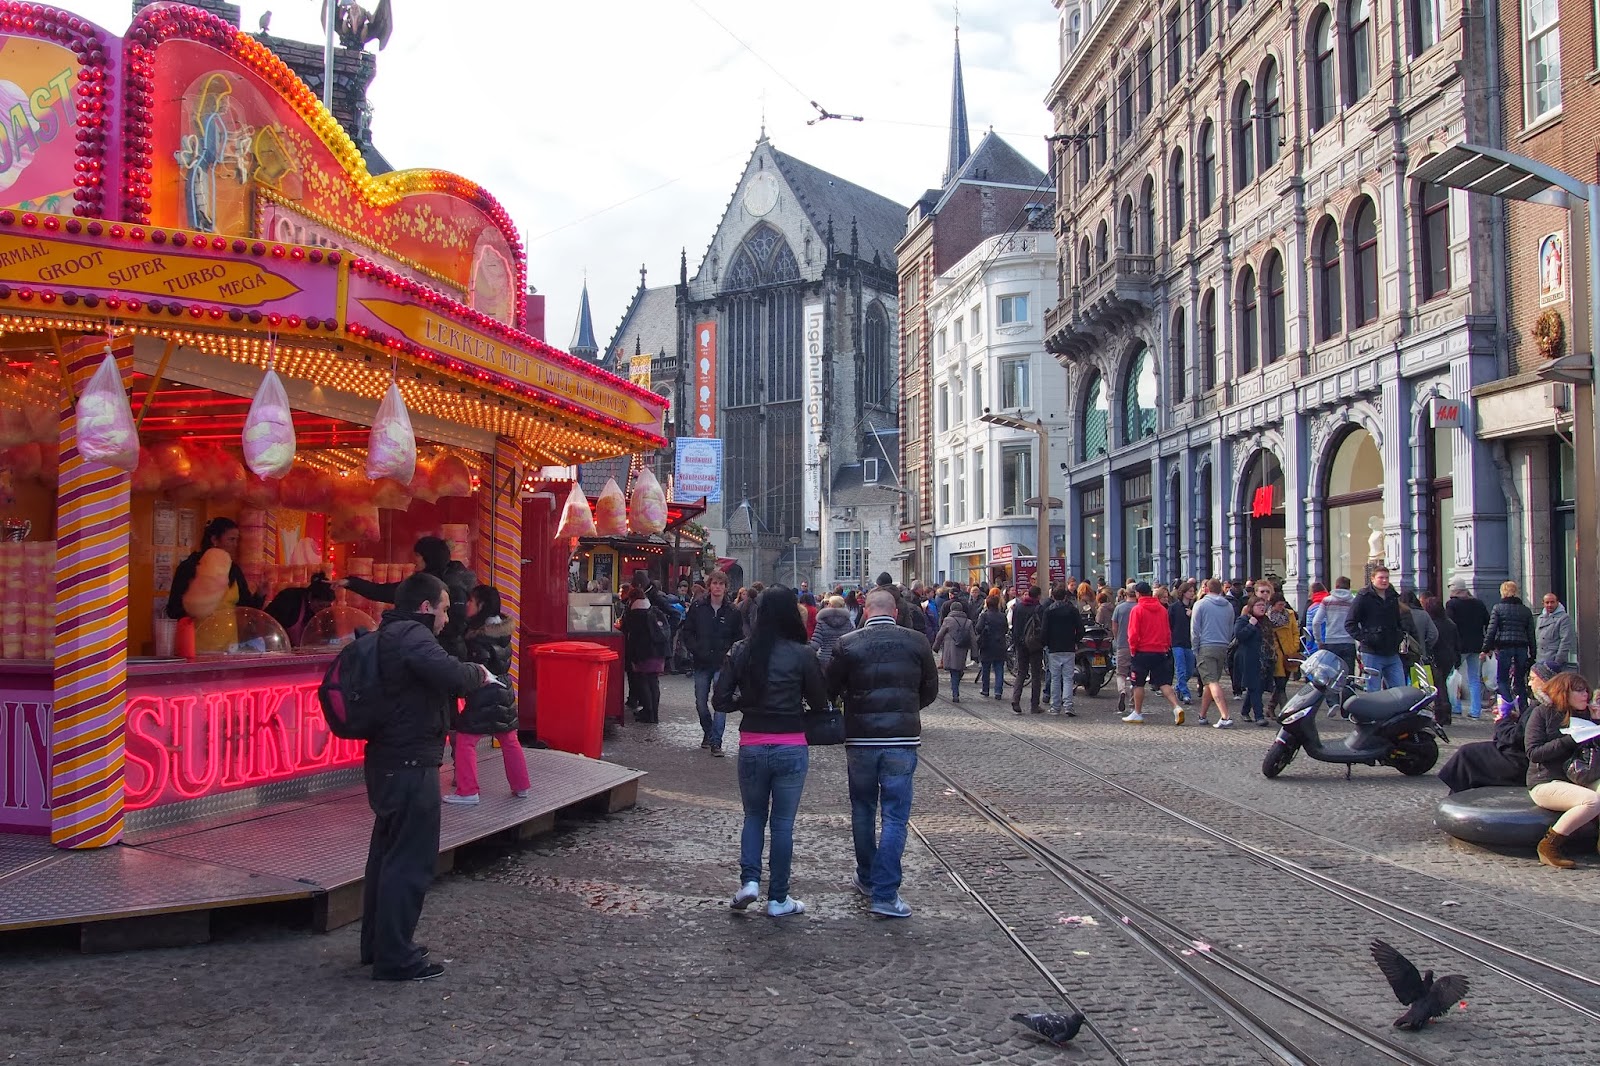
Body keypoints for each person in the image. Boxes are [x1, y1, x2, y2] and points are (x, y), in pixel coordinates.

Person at [362, 572, 491, 981]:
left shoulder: (386, 634)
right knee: (409, 861)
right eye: (442, 607)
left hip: (387, 759)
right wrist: (481, 675)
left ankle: (377, 946)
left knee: (385, 857)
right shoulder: (413, 638)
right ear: (424, 608)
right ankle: (396, 957)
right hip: (410, 762)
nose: (447, 616)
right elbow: (452, 675)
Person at [712, 586, 829, 916]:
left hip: (752, 742)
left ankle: (749, 881)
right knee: (782, 824)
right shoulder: (803, 653)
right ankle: (778, 898)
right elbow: (820, 701)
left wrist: (746, 701)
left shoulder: (741, 650)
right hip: (790, 743)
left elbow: (719, 700)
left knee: (753, 816)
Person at [827, 588, 938, 918]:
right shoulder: (917, 642)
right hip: (901, 740)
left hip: (860, 739)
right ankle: (886, 894)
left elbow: (830, 688)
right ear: (895, 611)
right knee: (894, 815)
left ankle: (866, 876)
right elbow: (930, 689)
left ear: (865, 610)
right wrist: (906, 709)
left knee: (862, 808)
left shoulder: (848, 644)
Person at [445, 585, 529, 804]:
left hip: (484, 691)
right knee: (509, 739)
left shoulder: (478, 637)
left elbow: (478, 667)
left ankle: (468, 790)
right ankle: (521, 786)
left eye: (471, 601)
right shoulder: (502, 631)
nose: (467, 606)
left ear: (480, 604)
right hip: (504, 688)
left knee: (465, 739)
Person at [338, 536, 474, 658]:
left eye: (417, 555)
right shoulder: (456, 578)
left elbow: (384, 591)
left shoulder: (428, 585)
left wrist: (351, 582)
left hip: (438, 650)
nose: (414, 560)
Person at [1524, 670, 1599, 869]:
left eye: (1587, 692)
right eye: (1580, 691)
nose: (1586, 696)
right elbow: (1534, 753)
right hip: (1546, 781)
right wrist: (1569, 740)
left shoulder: (1585, 714)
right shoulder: (1541, 713)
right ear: (1564, 692)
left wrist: (1597, 723)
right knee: (1592, 801)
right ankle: (1549, 845)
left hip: (1579, 777)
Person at [683, 570, 742, 755]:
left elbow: (738, 637)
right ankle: (708, 732)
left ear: (726, 587)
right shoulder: (698, 607)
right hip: (701, 662)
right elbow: (688, 631)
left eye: (721, 584)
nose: (717, 587)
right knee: (701, 702)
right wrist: (695, 649)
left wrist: (730, 655)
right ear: (710, 586)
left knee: (720, 702)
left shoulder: (732, 611)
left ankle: (716, 742)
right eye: (714, 583)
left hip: (722, 663)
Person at [166, 516, 265, 619]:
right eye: (231, 539)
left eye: (236, 540)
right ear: (214, 540)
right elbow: (173, 610)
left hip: (228, 633)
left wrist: (260, 595)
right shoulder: (189, 567)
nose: (235, 545)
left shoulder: (234, 569)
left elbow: (246, 608)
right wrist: (197, 606)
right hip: (198, 632)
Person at [1122, 582, 1185, 725]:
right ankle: (1176, 707)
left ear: (1138, 594)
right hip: (1160, 651)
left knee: (1138, 684)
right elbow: (1167, 631)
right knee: (1164, 683)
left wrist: (1133, 650)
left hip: (1142, 651)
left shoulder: (1137, 610)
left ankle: (1137, 712)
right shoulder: (1162, 610)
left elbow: (1133, 634)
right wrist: (1166, 646)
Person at [1346, 566, 1405, 690]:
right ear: (1373, 579)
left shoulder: (1392, 596)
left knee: (1400, 689)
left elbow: (1398, 619)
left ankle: (1396, 710)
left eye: (1387, 578)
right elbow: (1350, 623)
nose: (1384, 581)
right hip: (1372, 652)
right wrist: (1366, 638)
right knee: (1374, 690)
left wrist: (1399, 634)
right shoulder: (1364, 596)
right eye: (1381, 578)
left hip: (1392, 651)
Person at [621, 583, 670, 724]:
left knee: (643, 681)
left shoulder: (634, 613)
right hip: (658, 651)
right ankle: (654, 714)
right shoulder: (653, 610)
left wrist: (631, 657)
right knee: (654, 682)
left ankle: (648, 713)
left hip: (643, 652)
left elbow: (633, 636)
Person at [1485, 580, 1536, 715]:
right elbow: (1531, 633)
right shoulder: (1525, 610)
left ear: (1502, 592)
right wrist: (1533, 654)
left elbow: (1492, 630)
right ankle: (1524, 709)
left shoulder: (1498, 608)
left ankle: (1508, 708)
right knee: (1520, 680)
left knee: (1502, 679)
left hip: (1504, 646)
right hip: (1521, 647)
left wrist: (1486, 648)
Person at [1191, 579, 1236, 728]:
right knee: (1209, 683)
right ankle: (1202, 715)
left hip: (1206, 645)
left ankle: (1225, 716)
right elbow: (1231, 628)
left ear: (1206, 589)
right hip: (1222, 645)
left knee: (1212, 682)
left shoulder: (1201, 604)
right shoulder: (1228, 606)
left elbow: (1195, 630)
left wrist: (1195, 648)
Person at [1446, 577, 1492, 720]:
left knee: (1453, 677)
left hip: (1460, 646)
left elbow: (1450, 626)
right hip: (1477, 644)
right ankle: (1475, 710)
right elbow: (1488, 622)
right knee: (1474, 678)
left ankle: (1456, 706)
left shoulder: (1451, 604)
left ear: (1454, 589)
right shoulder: (1478, 604)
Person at [1314, 577, 1359, 714]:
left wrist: (1318, 640)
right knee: (1348, 675)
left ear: (1336, 585)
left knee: (1329, 673)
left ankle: (1332, 702)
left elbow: (1316, 621)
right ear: (1348, 586)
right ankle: (1348, 709)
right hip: (1348, 641)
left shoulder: (1327, 601)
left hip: (1331, 641)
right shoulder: (1353, 601)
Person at [1042, 585, 1085, 716]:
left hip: (1054, 648)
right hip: (1069, 647)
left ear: (1053, 597)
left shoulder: (1048, 611)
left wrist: (1046, 644)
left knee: (1055, 678)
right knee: (1068, 678)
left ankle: (1055, 706)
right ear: (1065, 596)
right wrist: (1075, 640)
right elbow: (1080, 628)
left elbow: (1044, 631)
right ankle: (1068, 705)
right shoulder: (1072, 610)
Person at [265, 572, 337, 646]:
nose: (323, 609)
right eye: (320, 605)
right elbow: (270, 625)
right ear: (310, 597)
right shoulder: (290, 600)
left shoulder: (327, 611)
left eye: (327, 605)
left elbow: (331, 635)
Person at [1423, 594, 1460, 728]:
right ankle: (1445, 713)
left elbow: (1431, 641)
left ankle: (1441, 713)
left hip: (1436, 656)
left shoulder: (1432, 624)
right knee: (1442, 684)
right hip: (1449, 657)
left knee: (1438, 687)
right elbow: (1457, 642)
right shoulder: (1450, 623)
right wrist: (1457, 658)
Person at [1234, 598, 1272, 724]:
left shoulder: (1266, 621)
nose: (1262, 607)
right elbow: (1239, 636)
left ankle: (1245, 711)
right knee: (1255, 686)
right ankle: (1259, 716)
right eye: (1259, 605)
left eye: (1263, 605)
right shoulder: (1244, 620)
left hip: (1264, 659)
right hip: (1249, 658)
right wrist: (1251, 625)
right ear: (1251, 607)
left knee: (1257, 688)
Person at [1009, 585, 1046, 715]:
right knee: (1036, 675)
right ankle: (1034, 705)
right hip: (1035, 645)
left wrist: (1016, 642)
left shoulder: (1018, 607)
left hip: (1020, 644)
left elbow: (1013, 626)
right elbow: (1042, 628)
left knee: (1021, 672)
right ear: (1038, 596)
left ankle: (1016, 698)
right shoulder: (1039, 608)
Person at [931, 601, 974, 702]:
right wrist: (974, 654)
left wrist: (935, 647)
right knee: (959, 669)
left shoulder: (948, 620)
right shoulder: (968, 622)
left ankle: (955, 693)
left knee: (953, 671)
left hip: (950, 649)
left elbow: (940, 635)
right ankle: (955, 689)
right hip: (963, 650)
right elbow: (973, 639)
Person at [1266, 596, 1301, 715]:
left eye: (1283, 604)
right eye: (1279, 605)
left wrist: (1295, 646)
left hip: (1290, 652)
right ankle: (1285, 712)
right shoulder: (1268, 617)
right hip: (1277, 653)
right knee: (1280, 683)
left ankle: (1271, 708)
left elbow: (1296, 632)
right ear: (1273, 605)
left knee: (1284, 682)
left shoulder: (1290, 614)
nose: (1282, 607)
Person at [972, 593, 1009, 699]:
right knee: (999, 669)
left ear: (987, 604)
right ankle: (998, 691)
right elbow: (1005, 629)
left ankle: (985, 689)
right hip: (1000, 645)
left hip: (987, 645)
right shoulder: (1002, 616)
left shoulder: (984, 616)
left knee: (986, 669)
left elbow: (978, 628)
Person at [1110, 586, 1138, 715]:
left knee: (1121, 673)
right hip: (1138, 646)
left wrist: (1117, 639)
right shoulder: (1138, 608)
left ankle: (1122, 691)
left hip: (1122, 644)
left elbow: (1114, 626)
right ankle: (1133, 702)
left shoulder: (1119, 608)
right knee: (1136, 674)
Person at [1168, 582, 1195, 704]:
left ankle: (1179, 687)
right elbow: (1169, 625)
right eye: (1189, 591)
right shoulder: (1174, 608)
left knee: (1190, 669)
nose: (1192, 593)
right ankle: (1185, 693)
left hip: (1189, 642)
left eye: (1193, 591)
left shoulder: (1194, 607)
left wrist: (1192, 615)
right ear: (1183, 592)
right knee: (1181, 669)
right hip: (1177, 642)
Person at [1536, 592, 1575, 674]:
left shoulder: (1564, 618)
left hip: (1553, 660)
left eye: (1552, 602)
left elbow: (1566, 641)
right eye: (1547, 602)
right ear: (1543, 604)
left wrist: (1558, 661)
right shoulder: (1540, 618)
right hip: (1540, 660)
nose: (1549, 605)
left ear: (1557, 602)